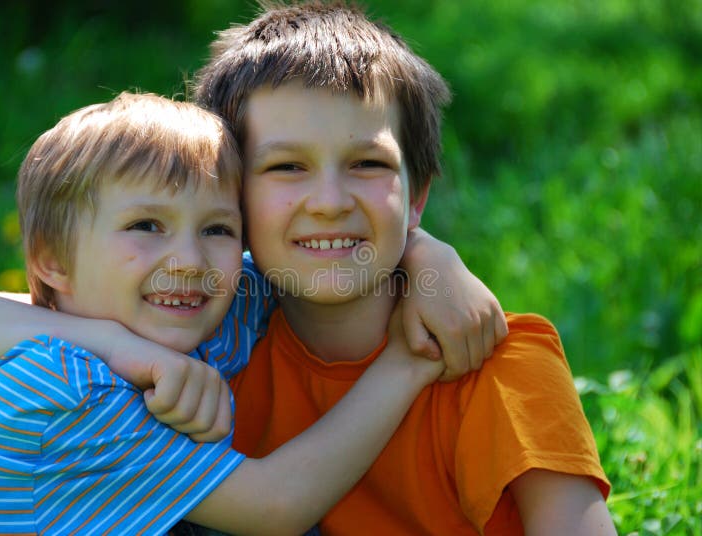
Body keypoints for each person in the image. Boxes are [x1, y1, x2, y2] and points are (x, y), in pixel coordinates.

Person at [0, 91, 455, 535]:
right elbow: (278, 505)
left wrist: (430, 257)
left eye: (217, 230)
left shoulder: (209, 308)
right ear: (52, 259)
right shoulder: (67, 390)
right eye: (146, 226)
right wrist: (408, 364)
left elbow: (318, 256)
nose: (189, 261)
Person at [187, 2, 616, 534]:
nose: (328, 201)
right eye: (286, 166)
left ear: (418, 197)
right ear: (228, 194)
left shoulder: (499, 368)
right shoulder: (211, 349)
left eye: (368, 164)